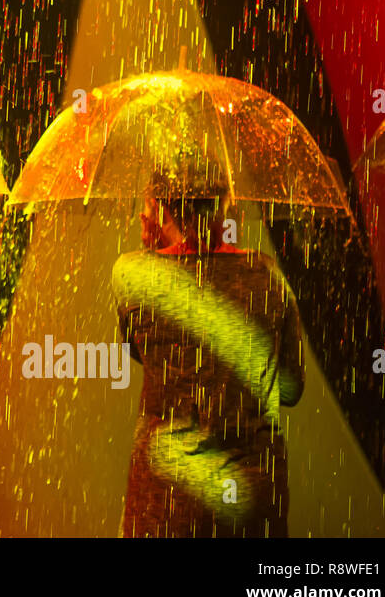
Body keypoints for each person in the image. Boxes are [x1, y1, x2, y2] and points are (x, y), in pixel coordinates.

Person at [111, 174, 304, 537]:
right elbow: (292, 388)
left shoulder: (132, 274)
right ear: (227, 209)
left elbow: (141, 353)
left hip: (165, 500)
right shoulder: (267, 276)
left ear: (158, 209)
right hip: (251, 498)